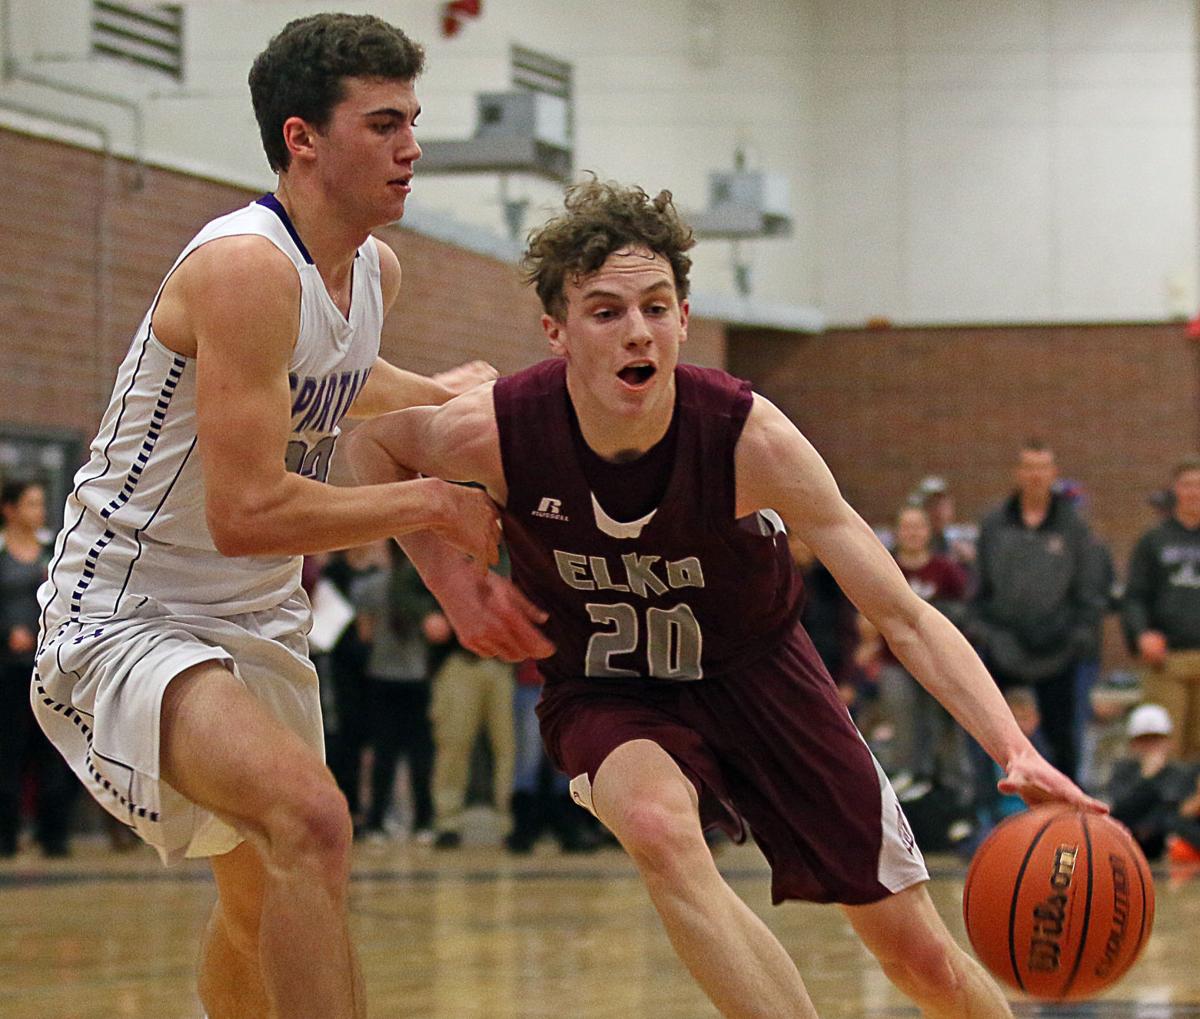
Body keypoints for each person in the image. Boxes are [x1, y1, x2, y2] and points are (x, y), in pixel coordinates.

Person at [350, 178, 1104, 1018]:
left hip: (763, 676)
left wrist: (1013, 746)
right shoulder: (498, 430)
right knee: (659, 828)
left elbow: (904, 614)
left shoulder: (752, 438)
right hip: (609, 687)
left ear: (682, 315)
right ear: (556, 332)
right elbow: (373, 438)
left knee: (920, 957)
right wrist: (456, 585)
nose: (637, 330)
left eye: (656, 305)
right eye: (605, 311)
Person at [31, 14, 549, 1018]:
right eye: (383, 122)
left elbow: (333, 378)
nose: (412, 148)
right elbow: (248, 509)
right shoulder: (243, 269)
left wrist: (433, 395)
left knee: (263, 888)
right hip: (128, 616)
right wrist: (431, 498)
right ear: (303, 137)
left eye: (414, 120)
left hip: (252, 618)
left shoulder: (371, 272)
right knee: (312, 816)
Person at [970, 440, 1107, 782]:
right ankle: (995, 815)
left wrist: (1077, 636)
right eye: (1028, 468)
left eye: (1042, 468)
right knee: (996, 741)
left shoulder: (1074, 526)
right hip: (1004, 649)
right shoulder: (995, 524)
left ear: (1053, 474)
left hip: (1058, 650)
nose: (1035, 476)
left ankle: (1066, 815)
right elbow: (978, 591)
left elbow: (1090, 591)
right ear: (1018, 474)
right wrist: (988, 634)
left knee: (1063, 741)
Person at [0, 480, 75, 857]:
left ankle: (55, 836)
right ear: (9, 509)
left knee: (53, 750)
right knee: (8, 752)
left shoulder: (53, 551)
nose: (38, 511)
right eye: (30, 504)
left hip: (47, 667)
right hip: (8, 669)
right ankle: (6, 837)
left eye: (41, 504)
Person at [876, 505, 971, 800]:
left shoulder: (945, 569)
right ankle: (905, 782)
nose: (913, 533)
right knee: (902, 720)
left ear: (928, 533)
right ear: (898, 532)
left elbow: (965, 609)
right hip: (895, 658)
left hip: (936, 661)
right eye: (907, 527)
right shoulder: (886, 566)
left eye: (919, 527)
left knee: (939, 724)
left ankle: (946, 786)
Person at [1122, 455, 1200, 759]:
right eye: (1187, 485)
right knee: (1166, 752)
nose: (1193, 492)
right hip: (1168, 661)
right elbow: (1135, 596)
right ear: (1175, 490)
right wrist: (1141, 634)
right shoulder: (1154, 541)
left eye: (1199, 485)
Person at [1106, 703, 1199, 861]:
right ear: (1132, 744)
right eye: (1144, 741)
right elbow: (1120, 812)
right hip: (1129, 847)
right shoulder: (1123, 772)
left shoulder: (1181, 773)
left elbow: (1177, 816)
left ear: (1168, 742)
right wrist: (1147, 777)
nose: (1150, 747)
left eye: (1156, 740)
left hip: (1167, 847)